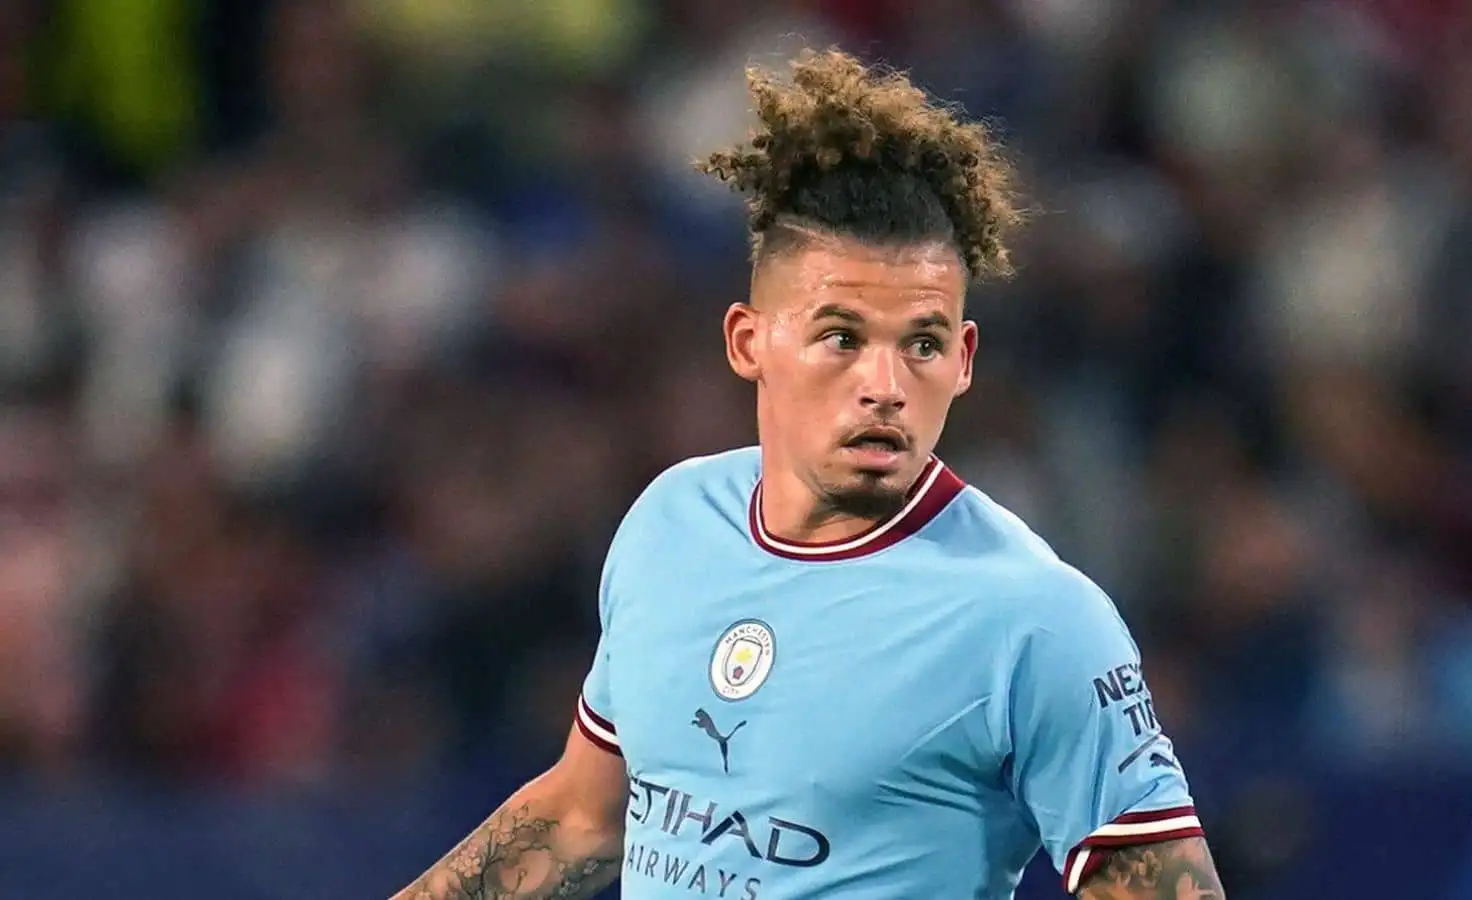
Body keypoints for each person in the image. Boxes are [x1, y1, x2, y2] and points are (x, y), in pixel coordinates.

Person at [390, 48, 1225, 900]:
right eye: (841, 337)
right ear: (749, 341)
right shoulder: (670, 523)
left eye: (923, 344)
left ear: (965, 360)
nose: (885, 385)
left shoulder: (1032, 618)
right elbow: (586, 816)